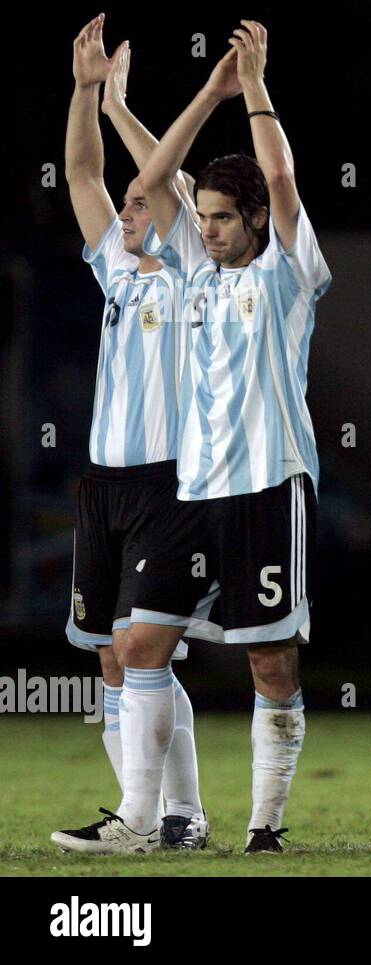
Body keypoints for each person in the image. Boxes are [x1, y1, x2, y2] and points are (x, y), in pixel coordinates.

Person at [122, 21, 331, 854]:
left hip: (268, 486)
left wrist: (253, 87)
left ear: (252, 218)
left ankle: (265, 827)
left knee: (270, 666)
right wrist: (116, 102)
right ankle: (160, 819)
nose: (204, 229)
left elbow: (278, 171)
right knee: (140, 643)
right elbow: (154, 178)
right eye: (200, 216)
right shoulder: (198, 270)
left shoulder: (287, 270)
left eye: (219, 217)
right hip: (193, 490)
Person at [53, 15, 212, 855]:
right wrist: (85, 94)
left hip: (169, 482)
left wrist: (122, 107)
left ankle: (141, 823)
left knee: (141, 646)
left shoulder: (194, 270)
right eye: (124, 202)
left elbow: (164, 180)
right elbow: (80, 170)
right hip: (103, 485)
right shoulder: (117, 264)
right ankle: (171, 816)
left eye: (139, 200)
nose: (124, 206)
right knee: (115, 662)